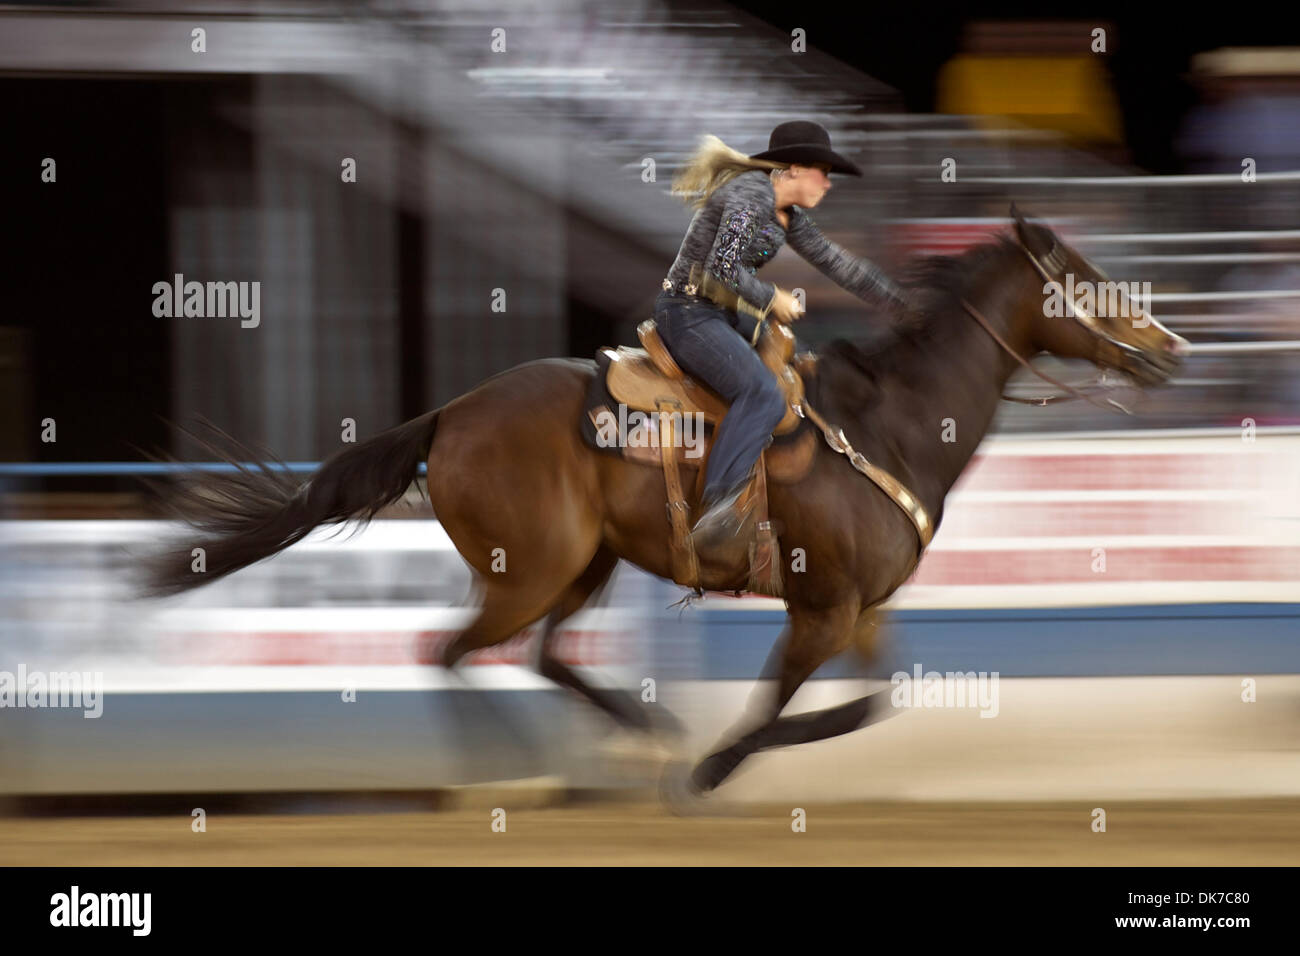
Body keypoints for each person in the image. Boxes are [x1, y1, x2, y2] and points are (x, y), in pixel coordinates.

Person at [655, 120, 910, 551]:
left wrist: (902, 304)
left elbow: (839, 263)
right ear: (793, 168)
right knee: (763, 395)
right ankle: (718, 507)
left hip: (722, 316)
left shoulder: (787, 216)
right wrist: (771, 297)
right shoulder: (748, 195)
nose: (827, 184)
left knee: (800, 370)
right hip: (688, 313)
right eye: (823, 173)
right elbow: (721, 269)